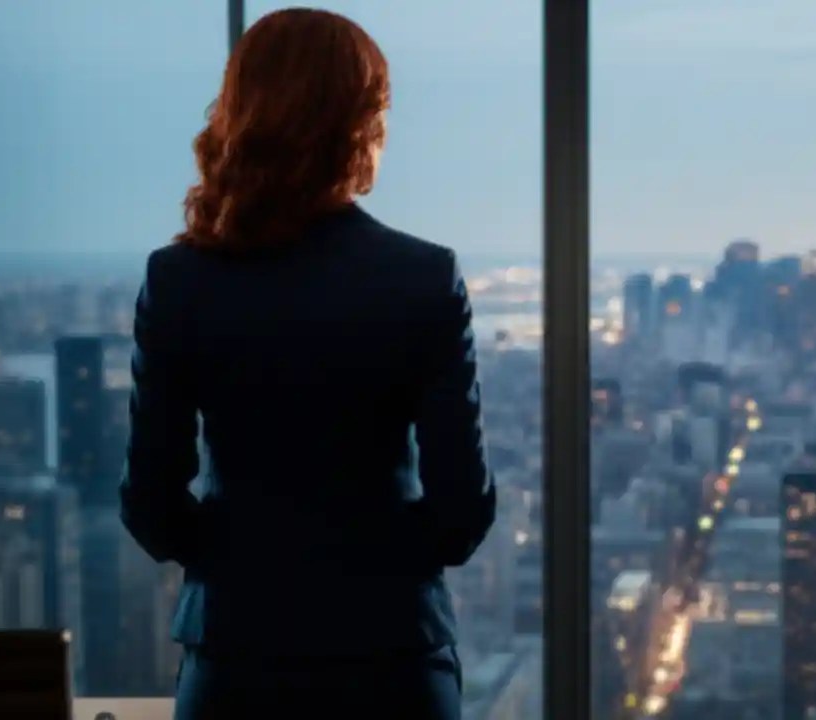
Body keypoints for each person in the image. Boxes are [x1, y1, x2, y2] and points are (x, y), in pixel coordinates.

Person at [118, 8, 496, 719]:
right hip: (391, 658)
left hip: (236, 658)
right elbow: (460, 516)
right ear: (360, 125)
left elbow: (150, 505)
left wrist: (245, 559)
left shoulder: (181, 279)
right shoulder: (423, 277)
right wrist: (367, 559)